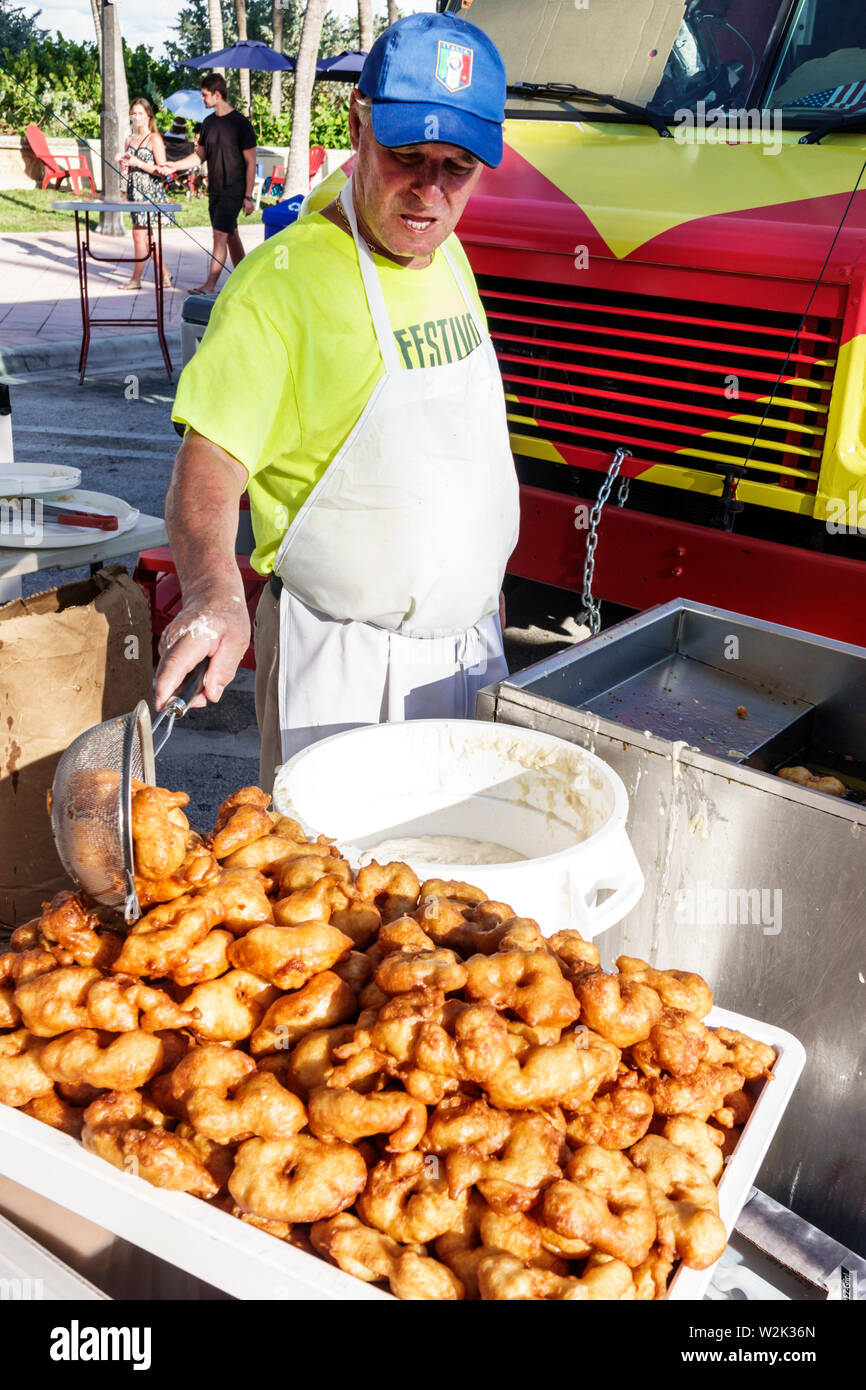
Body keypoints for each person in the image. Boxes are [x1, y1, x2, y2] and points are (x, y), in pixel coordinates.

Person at [157, 12, 519, 790]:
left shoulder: (446, 250)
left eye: (457, 167)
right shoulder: (279, 287)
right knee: (337, 900)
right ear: (357, 125)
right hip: (347, 669)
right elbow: (210, 463)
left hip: (472, 649)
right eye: (406, 157)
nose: (429, 191)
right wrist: (214, 592)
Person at [157, 73, 257, 294]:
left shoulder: (241, 124)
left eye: (204, 95)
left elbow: (251, 162)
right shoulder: (209, 123)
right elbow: (199, 156)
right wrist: (174, 166)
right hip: (215, 189)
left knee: (219, 235)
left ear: (217, 94)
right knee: (230, 235)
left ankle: (210, 285)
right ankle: (246, 279)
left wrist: (248, 196)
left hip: (234, 188)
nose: (202, 99)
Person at [117, 98, 171, 290]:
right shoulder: (129, 140)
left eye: (140, 113)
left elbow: (162, 170)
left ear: (148, 115)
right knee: (145, 238)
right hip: (134, 192)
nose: (136, 117)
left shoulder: (154, 139)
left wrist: (138, 163)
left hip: (150, 193)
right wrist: (123, 162)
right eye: (134, 113)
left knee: (139, 236)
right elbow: (127, 167)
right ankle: (165, 273)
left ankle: (135, 280)